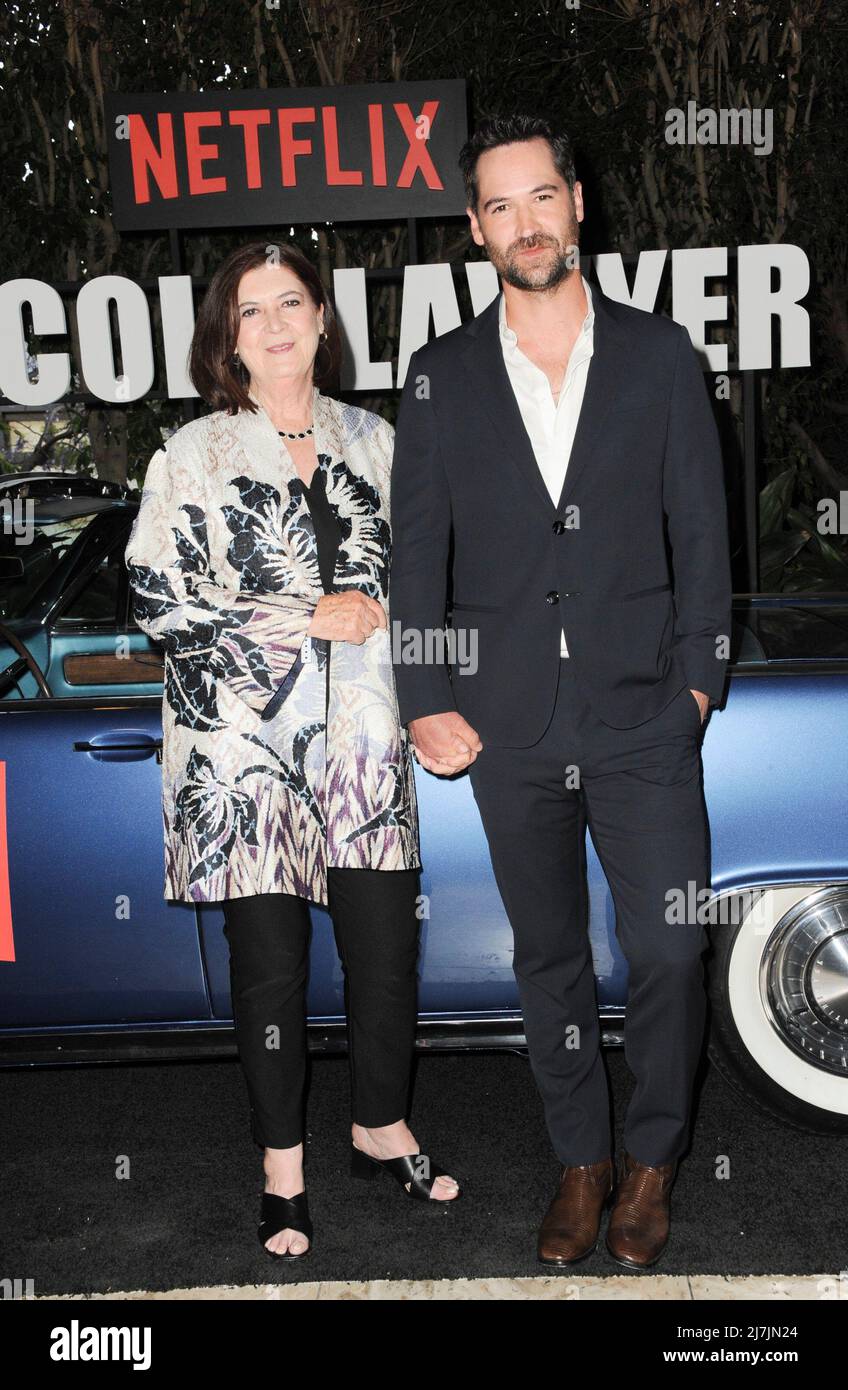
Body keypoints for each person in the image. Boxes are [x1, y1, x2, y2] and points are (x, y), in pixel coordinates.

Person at [390, 114, 732, 1270]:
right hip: (507, 720)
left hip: (644, 713)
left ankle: (651, 1164)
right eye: (499, 205)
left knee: (672, 951)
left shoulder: (658, 357)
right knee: (549, 958)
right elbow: (413, 553)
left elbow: (702, 529)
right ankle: (578, 1162)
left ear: (576, 204)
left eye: (541, 196)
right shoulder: (437, 379)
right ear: (473, 229)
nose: (523, 222)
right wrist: (424, 691)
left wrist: (696, 682)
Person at [125, 240, 460, 1262]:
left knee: (384, 950)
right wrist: (294, 614)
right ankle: (282, 1166)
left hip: (362, 740)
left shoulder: (382, 440)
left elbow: (435, 573)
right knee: (269, 967)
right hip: (243, 753)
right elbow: (152, 597)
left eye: (289, 303)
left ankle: (377, 1123)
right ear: (227, 338)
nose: (272, 325)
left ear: (322, 319)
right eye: (248, 311)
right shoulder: (192, 452)